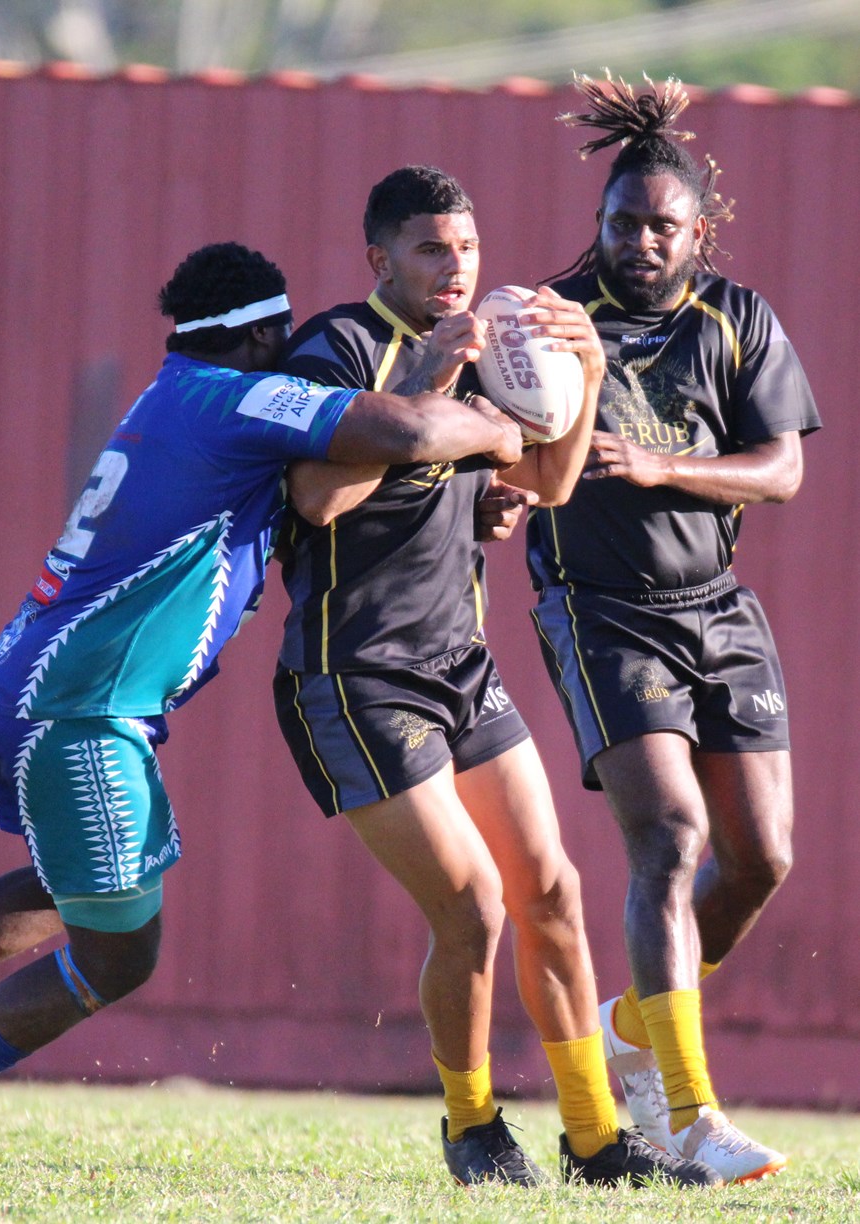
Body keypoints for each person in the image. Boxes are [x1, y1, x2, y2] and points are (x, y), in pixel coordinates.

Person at [0, 240, 532, 1170]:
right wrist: (492, 427)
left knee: (79, 891)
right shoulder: (234, 398)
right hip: (83, 705)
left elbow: (333, 488)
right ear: (262, 336)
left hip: (53, 684)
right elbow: (413, 434)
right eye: (286, 338)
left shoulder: (178, 394)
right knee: (121, 953)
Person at [272, 165, 718, 1188]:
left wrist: (588, 372)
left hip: (458, 665)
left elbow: (547, 484)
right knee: (472, 906)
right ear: (379, 259)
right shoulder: (341, 346)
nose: (455, 268)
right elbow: (315, 498)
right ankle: (471, 1128)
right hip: (356, 675)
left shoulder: (487, 356)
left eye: (466, 248)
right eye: (432, 250)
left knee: (552, 892)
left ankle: (597, 1142)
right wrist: (426, 378)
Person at [528, 74, 821, 1184]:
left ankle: (634, 1034)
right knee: (669, 839)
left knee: (762, 860)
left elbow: (780, 470)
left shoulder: (736, 322)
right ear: (596, 225)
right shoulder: (551, 323)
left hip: (718, 611)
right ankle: (687, 1114)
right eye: (620, 223)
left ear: (700, 230)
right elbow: (502, 442)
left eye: (661, 225)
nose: (639, 242)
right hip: (600, 612)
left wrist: (659, 464)